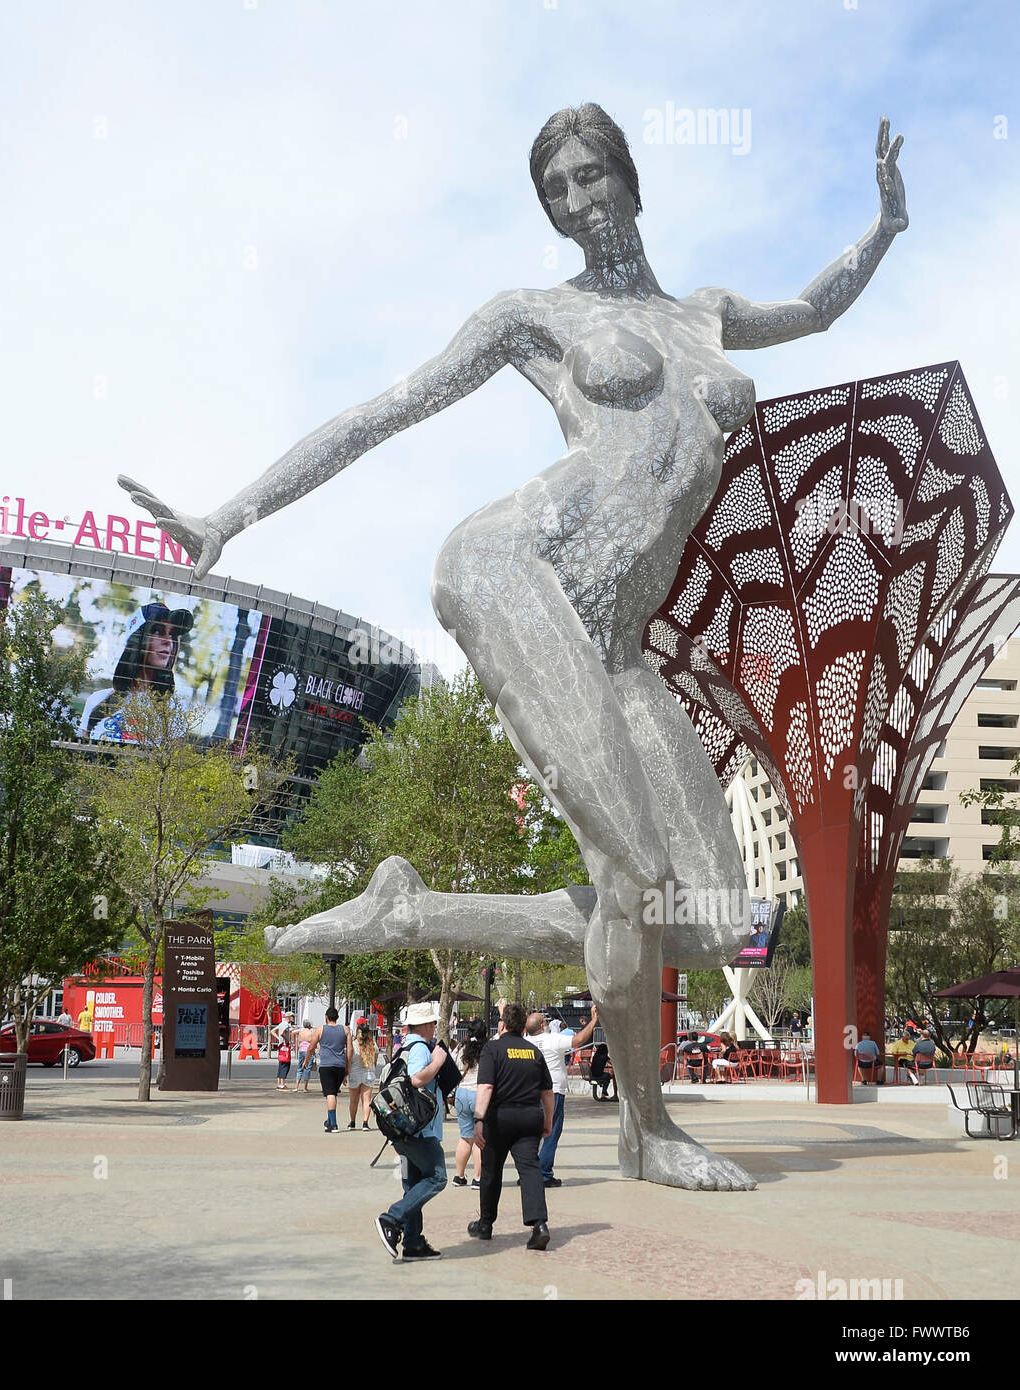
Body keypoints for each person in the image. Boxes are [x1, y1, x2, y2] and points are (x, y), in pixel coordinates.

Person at [128, 106, 907, 1192]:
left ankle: (414, 909)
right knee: (632, 869)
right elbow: (380, 411)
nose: (581, 202)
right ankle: (645, 1130)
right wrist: (233, 513)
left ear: (631, 181)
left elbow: (813, 310)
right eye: (560, 190)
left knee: (717, 920)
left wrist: (884, 229)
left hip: (618, 645)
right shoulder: (531, 313)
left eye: (595, 176)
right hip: (517, 570)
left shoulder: (706, 313)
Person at [468, 1003, 554, 1250]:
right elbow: (547, 1092)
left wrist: (478, 1120)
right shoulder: (533, 1051)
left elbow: (485, 1087)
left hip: (499, 1117)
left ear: (502, 1024)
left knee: (491, 1170)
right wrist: (547, 1121)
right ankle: (539, 1224)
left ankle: (486, 1224)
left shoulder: (492, 1049)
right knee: (530, 1170)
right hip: (529, 1117)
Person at [374, 1002, 449, 1261]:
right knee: (437, 1178)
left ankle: (414, 1244)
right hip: (420, 1132)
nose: (435, 1026)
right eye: (433, 1022)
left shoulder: (402, 1048)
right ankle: (391, 1219)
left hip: (402, 1131)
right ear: (427, 1025)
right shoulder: (419, 1049)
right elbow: (417, 1079)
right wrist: (438, 1062)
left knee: (414, 1186)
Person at [79, 603, 195, 742]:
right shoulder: (96, 700)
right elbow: (81, 754)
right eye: (158, 631)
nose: (168, 641)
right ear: (137, 640)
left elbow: (173, 761)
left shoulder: (173, 710)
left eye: (171, 634)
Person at [526, 1006, 598, 1187]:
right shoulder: (553, 1039)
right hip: (553, 1091)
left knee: (531, 1135)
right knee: (551, 1132)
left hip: (530, 1092)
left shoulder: (525, 1042)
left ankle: (528, 1172)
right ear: (543, 1025)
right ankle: (543, 1174)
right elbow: (579, 1039)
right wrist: (594, 1020)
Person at [452, 1019, 489, 1188]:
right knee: (479, 1138)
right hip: (479, 1094)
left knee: (465, 1137)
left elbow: (451, 1066)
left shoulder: (460, 1048)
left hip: (461, 1093)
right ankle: (478, 1178)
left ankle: (459, 1176)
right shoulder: (488, 1049)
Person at [315, 1006, 351, 1132]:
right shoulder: (345, 1030)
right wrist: (348, 1067)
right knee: (333, 1093)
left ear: (326, 1017)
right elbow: (350, 1050)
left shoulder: (320, 1029)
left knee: (330, 1094)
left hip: (326, 1066)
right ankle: (329, 1120)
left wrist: (307, 1060)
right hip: (340, 1065)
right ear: (337, 1017)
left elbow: (311, 1046)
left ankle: (333, 1124)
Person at [346, 1019, 381, 1130]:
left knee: (353, 1100)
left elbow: (349, 1060)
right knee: (367, 1100)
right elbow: (375, 1061)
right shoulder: (373, 1045)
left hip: (355, 1074)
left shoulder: (353, 1044)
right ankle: (365, 1123)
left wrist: (346, 1072)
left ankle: (352, 1122)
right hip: (368, 1073)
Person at [292, 1019, 317, 1092]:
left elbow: (299, 1041)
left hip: (301, 1050)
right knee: (307, 1069)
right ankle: (305, 1087)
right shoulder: (311, 1033)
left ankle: (296, 1087)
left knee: (300, 1068)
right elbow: (313, 1043)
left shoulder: (301, 1032)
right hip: (308, 1051)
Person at [273, 1013, 294, 1091]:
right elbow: (282, 1033)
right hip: (285, 1046)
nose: (293, 1018)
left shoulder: (281, 1024)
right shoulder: (286, 1025)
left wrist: (279, 1039)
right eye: (292, 1016)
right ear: (288, 1017)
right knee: (286, 1064)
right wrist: (286, 1039)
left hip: (281, 1046)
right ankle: (282, 1083)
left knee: (281, 1063)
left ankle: (279, 1083)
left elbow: (272, 1031)